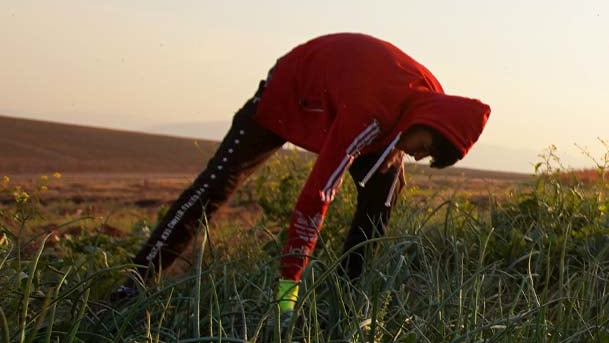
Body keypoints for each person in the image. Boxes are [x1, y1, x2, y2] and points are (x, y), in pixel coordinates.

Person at [113, 33, 491, 314]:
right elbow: (316, 198)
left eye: (430, 157)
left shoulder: (428, 101)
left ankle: (344, 304)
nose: (421, 156)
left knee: (383, 193)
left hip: (353, 102)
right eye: (427, 147)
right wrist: (287, 293)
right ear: (430, 120)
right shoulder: (369, 113)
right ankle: (132, 286)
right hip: (292, 89)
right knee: (216, 184)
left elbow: (398, 143)